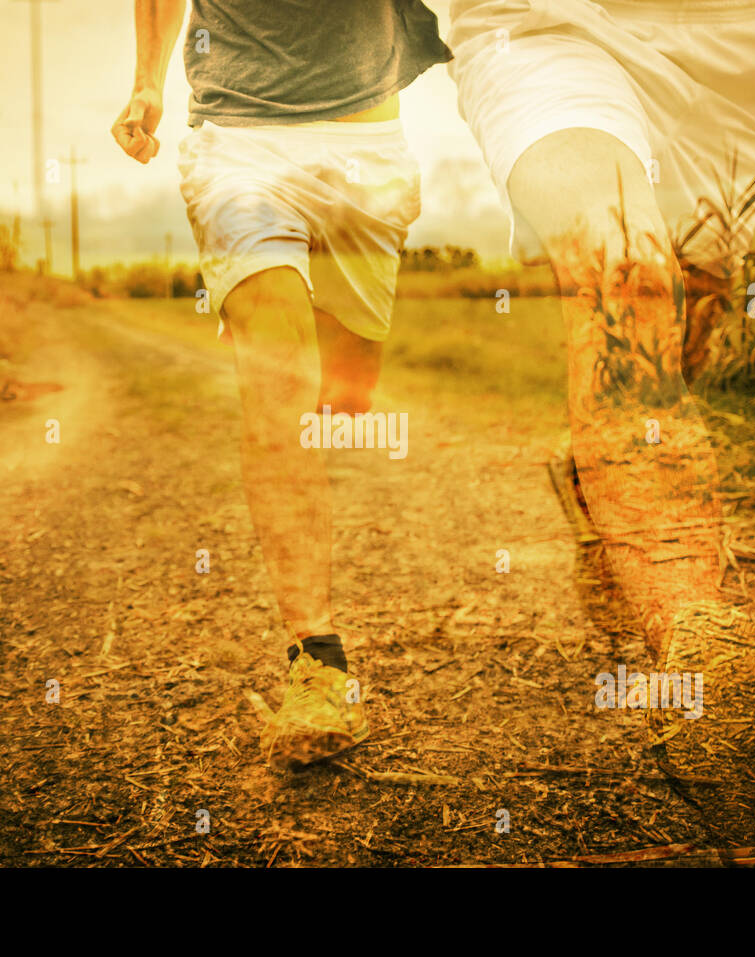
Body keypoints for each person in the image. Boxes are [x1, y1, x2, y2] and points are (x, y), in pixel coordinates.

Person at [445, 0, 755, 791]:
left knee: (687, 319)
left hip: (728, 40)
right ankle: (697, 632)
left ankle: (598, 474)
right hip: (546, 23)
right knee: (629, 270)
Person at [112, 1, 451, 768]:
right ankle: (318, 661)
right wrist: (148, 81)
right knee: (278, 387)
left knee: (345, 398)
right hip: (238, 141)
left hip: (366, 140)